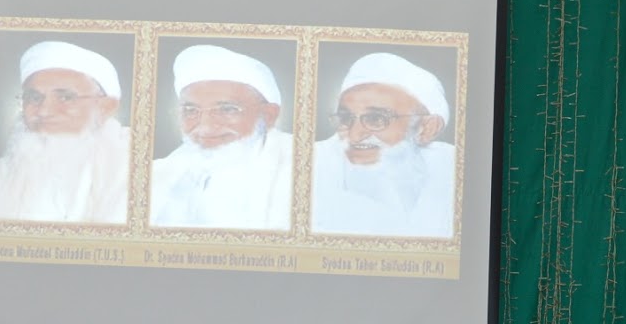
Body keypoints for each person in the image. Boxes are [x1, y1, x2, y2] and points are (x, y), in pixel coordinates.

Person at [311, 52, 457, 238]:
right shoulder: (309, 164)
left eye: (376, 118)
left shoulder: (457, 170)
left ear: (427, 128)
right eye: (346, 118)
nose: (355, 136)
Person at [0, 40, 130, 224]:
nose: (44, 111)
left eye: (65, 97)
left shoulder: (139, 173)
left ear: (105, 107)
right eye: (34, 97)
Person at [150, 45, 293, 231]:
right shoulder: (159, 174)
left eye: (227, 109)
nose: (206, 127)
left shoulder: (309, 172)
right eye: (190, 111)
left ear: (269, 115)